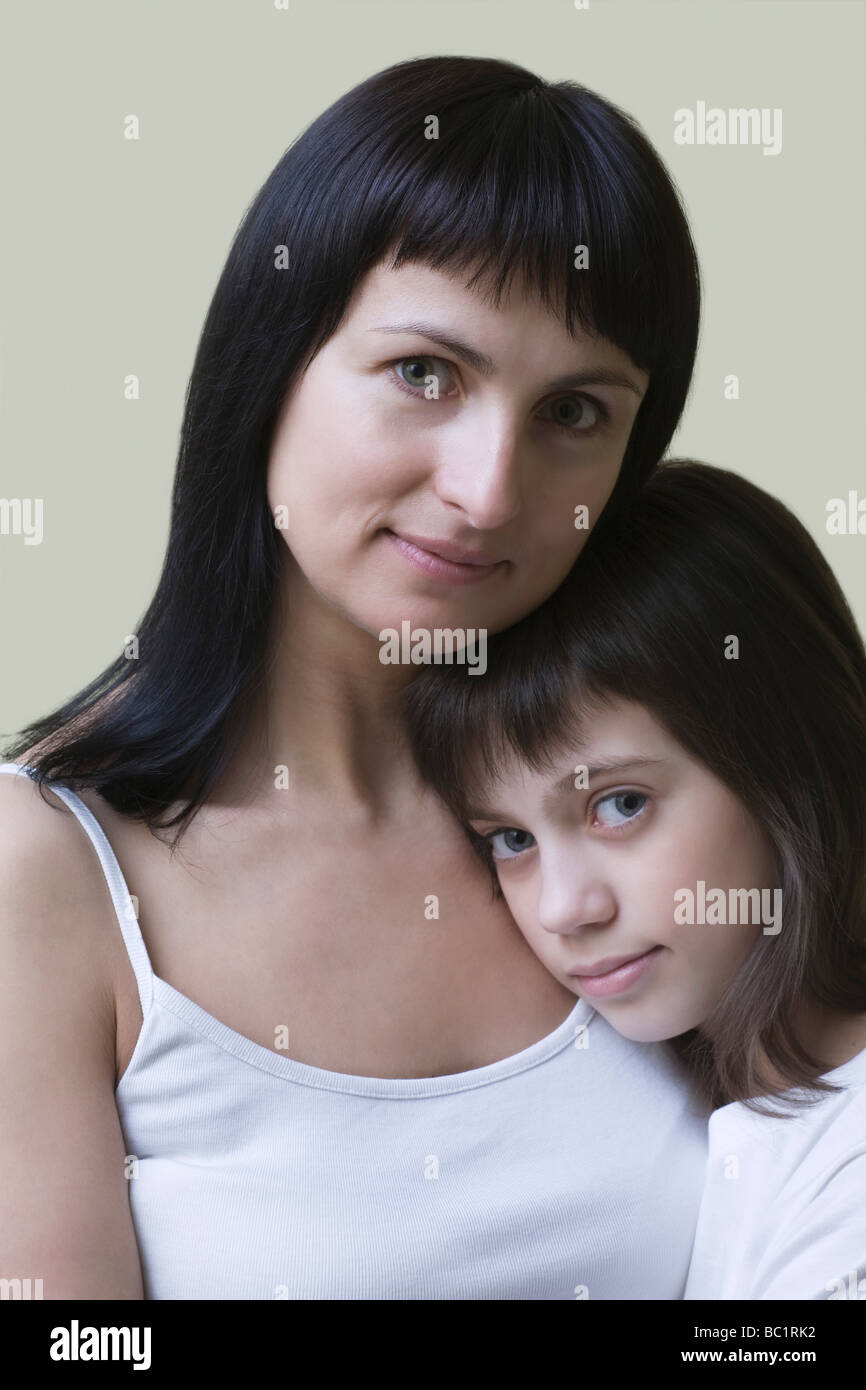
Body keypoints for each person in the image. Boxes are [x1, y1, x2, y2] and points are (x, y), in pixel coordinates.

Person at [0, 55, 705, 1300]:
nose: (488, 490)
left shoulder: (676, 798)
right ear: (270, 367)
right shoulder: (48, 873)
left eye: (575, 412)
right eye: (424, 373)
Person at [403, 459, 866, 1300]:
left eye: (620, 804)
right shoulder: (732, 1116)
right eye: (509, 838)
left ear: (791, 763)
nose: (564, 908)